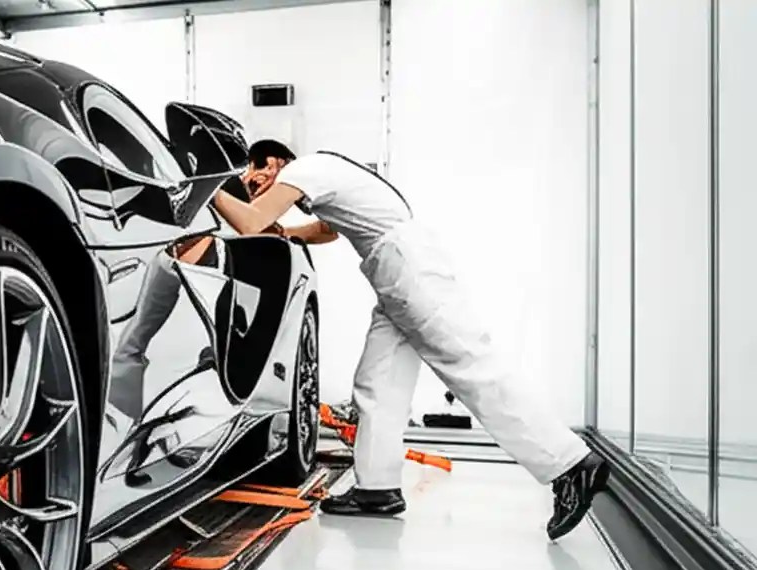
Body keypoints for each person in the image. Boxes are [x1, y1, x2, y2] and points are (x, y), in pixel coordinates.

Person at [212, 140, 608, 541]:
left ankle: (570, 464)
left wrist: (208, 190)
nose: (253, 184)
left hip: (407, 271)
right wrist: (289, 231)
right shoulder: (325, 173)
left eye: (255, 175)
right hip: (395, 271)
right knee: (378, 383)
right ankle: (376, 489)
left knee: (471, 368)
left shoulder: (304, 171)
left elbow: (249, 222)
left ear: (276, 161)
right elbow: (329, 230)